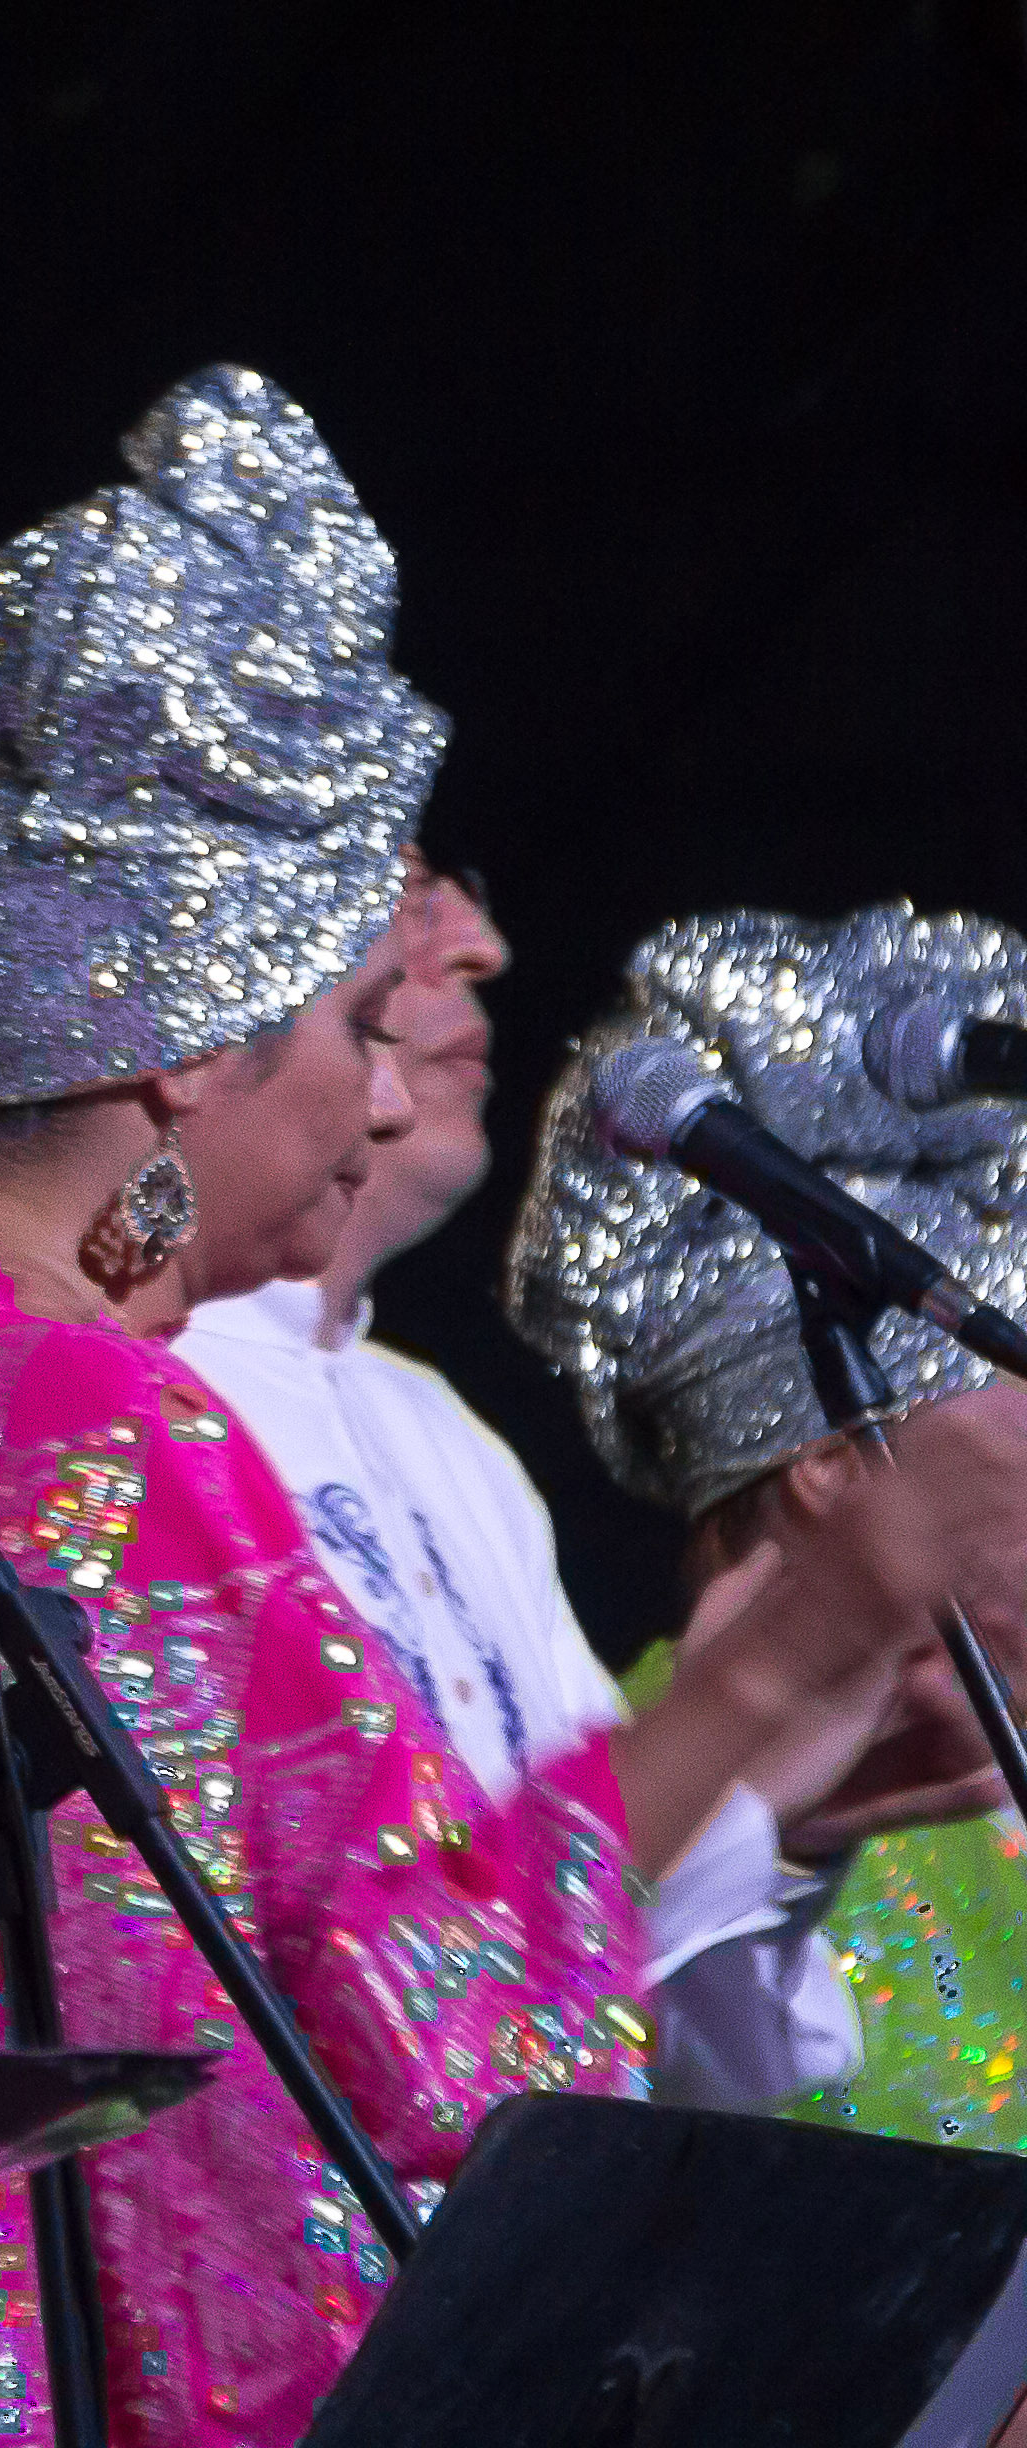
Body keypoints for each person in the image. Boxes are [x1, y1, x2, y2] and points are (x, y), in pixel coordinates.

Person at [0, 368, 940, 2448]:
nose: (383, 1095)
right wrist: (791, 1670)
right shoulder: (103, 1437)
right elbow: (436, 2045)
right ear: (187, 1049)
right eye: (343, 1025)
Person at [168, 863, 816, 2017]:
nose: (479, 943)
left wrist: (825, 1755)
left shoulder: (445, 1439)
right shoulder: (129, 1402)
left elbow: (653, 1999)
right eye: (401, 888)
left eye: (465, 888)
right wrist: (793, 1660)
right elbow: (364, 1994)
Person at [503, 902, 1027, 2140]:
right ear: (839, 1475)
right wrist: (788, 1821)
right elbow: (689, 2062)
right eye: (1001, 1455)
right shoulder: (640, 1779)